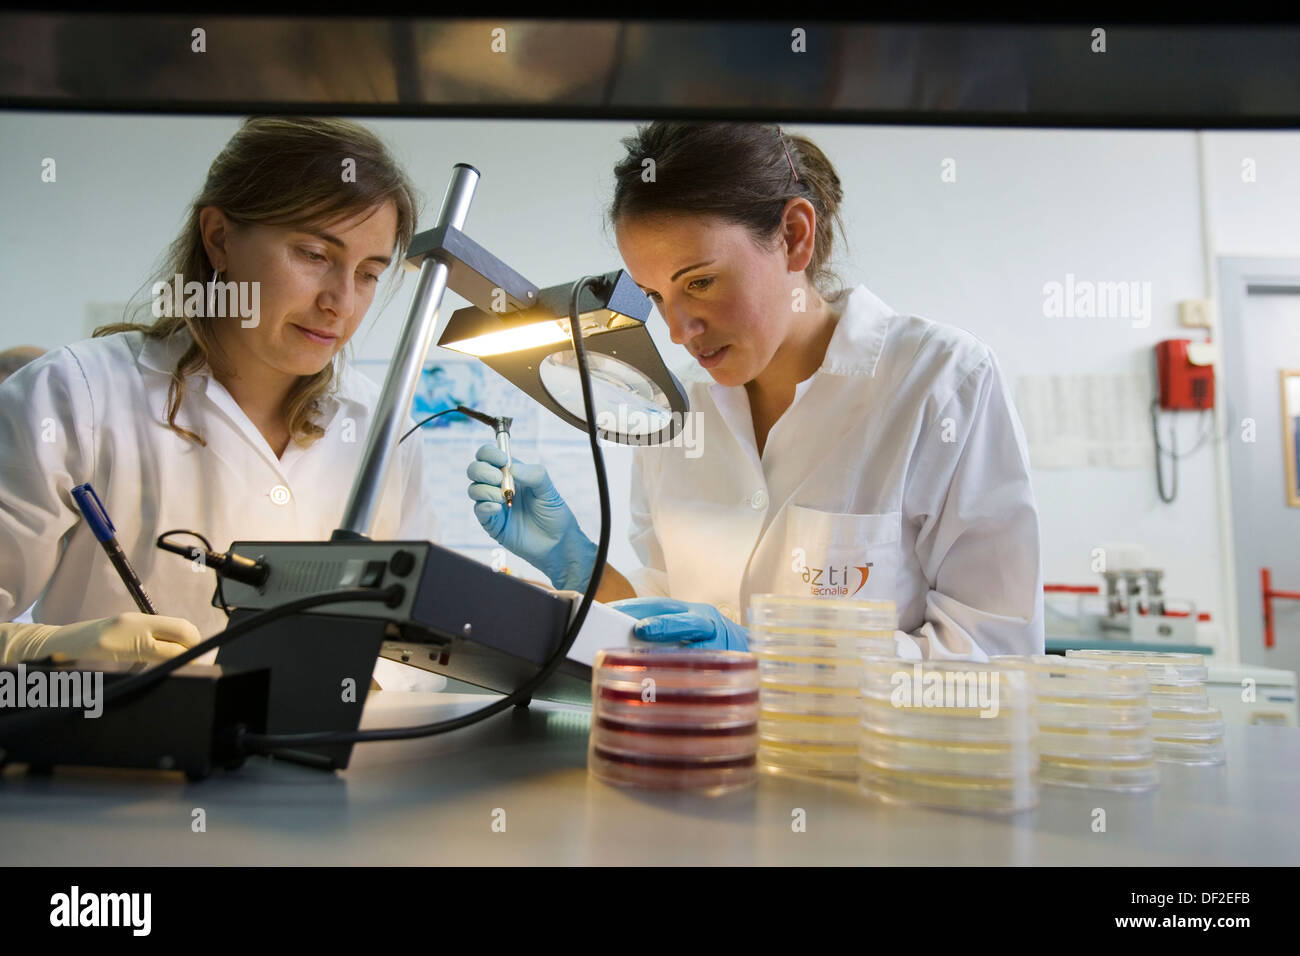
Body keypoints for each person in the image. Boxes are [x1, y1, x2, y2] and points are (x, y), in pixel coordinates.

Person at [468, 121, 1044, 660]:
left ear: (794, 237)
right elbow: (663, 625)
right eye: (655, 296)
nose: (678, 330)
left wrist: (766, 655)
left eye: (700, 281)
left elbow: (994, 656)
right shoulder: (678, 414)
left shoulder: (941, 381)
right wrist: (578, 565)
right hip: (696, 757)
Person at [0, 117, 441, 689]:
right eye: (313, 254)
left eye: (369, 273)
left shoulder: (384, 430)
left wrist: (365, 678)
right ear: (219, 238)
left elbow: (423, 646)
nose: (341, 301)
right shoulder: (73, 394)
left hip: (330, 767)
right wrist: (46, 648)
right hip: (110, 767)